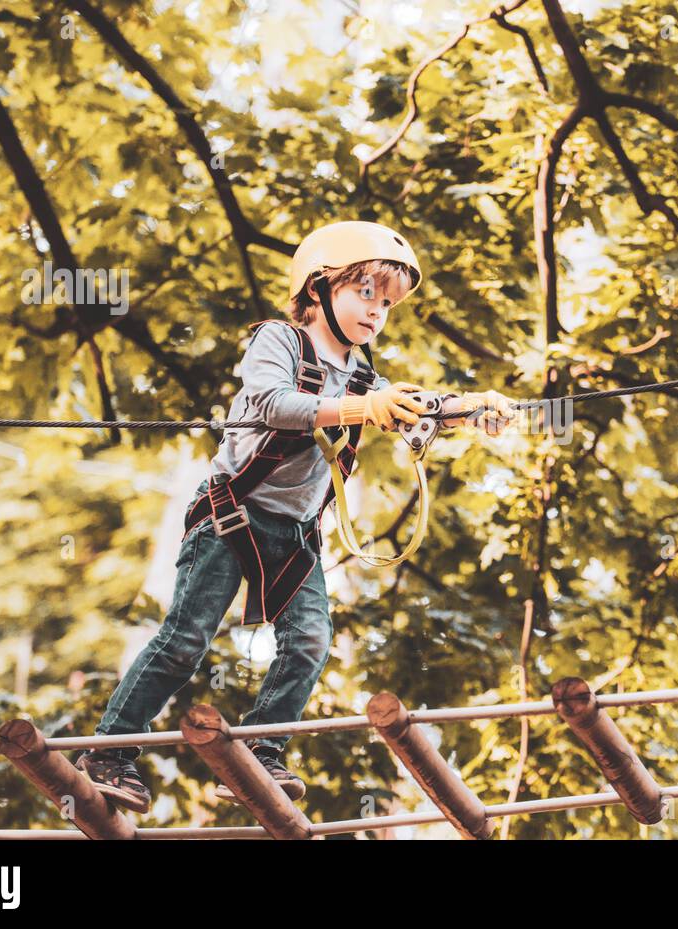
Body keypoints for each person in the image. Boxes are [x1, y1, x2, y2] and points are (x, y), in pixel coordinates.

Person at [74, 221, 515, 812]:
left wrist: (470, 407)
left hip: (295, 533)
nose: (377, 311)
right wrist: (362, 407)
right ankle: (108, 750)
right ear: (318, 290)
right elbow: (269, 402)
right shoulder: (279, 341)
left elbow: (415, 407)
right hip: (232, 515)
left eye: (387, 302)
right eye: (365, 293)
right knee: (185, 640)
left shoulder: (363, 375)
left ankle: (260, 751)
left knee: (308, 643)